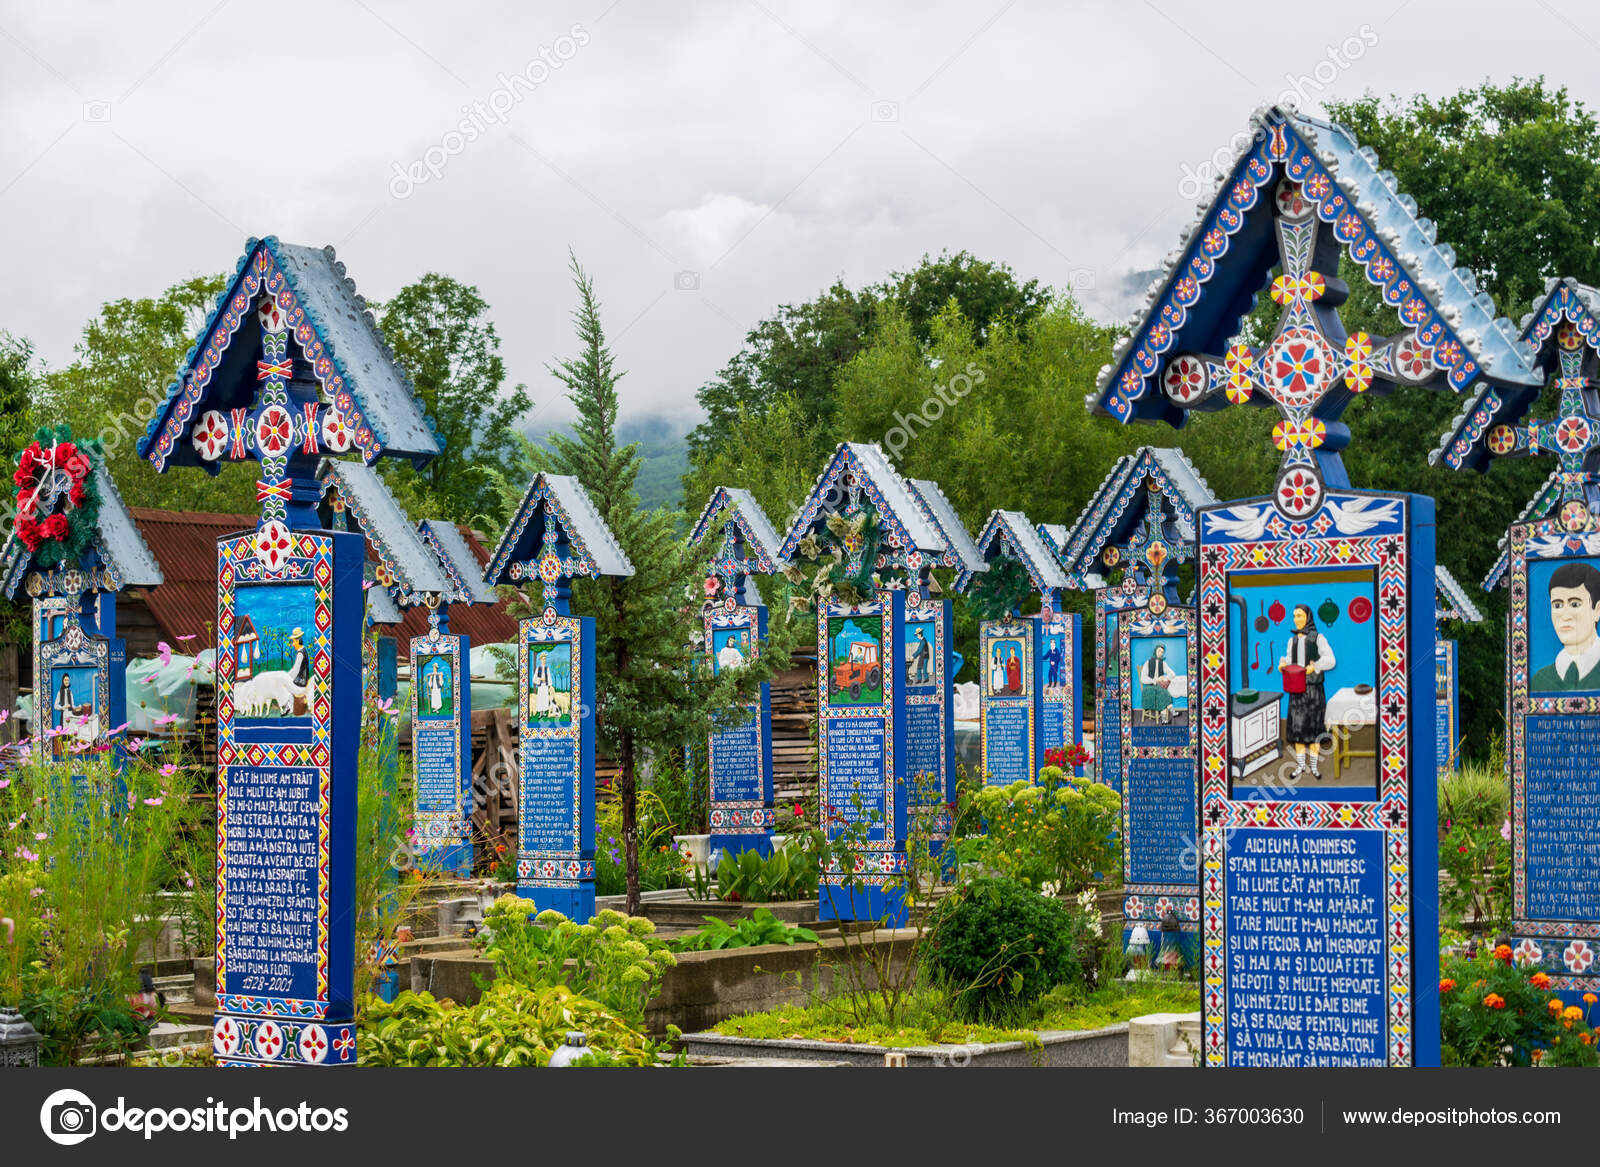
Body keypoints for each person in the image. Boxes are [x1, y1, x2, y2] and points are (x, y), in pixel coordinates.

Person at [1278, 604, 1336, 776]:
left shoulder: (1318, 638)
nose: (1296, 619)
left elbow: (1331, 660)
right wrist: (1283, 664)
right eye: (1294, 616)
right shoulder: (1292, 640)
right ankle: (1301, 766)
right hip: (1296, 690)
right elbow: (1289, 658)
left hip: (1313, 690)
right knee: (1297, 730)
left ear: (1308, 617)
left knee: (1313, 730)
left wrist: (1315, 666)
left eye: (1300, 616)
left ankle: (1314, 766)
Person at [1532, 561, 1600, 692]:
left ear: (1597, 611)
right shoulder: (1539, 681)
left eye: (1575, 604)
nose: (1565, 615)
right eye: (1557, 605)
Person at [1139, 643, 1175, 724]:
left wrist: (1165, 678)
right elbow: (1142, 678)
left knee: (1162, 691)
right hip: (1149, 687)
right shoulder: (1148, 663)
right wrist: (1154, 680)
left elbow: (1172, 674)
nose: (1160, 653)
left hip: (1159, 687)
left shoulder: (1163, 663)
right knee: (1163, 692)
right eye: (1159, 651)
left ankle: (1164, 720)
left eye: (1162, 652)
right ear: (1155, 651)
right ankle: (1171, 711)